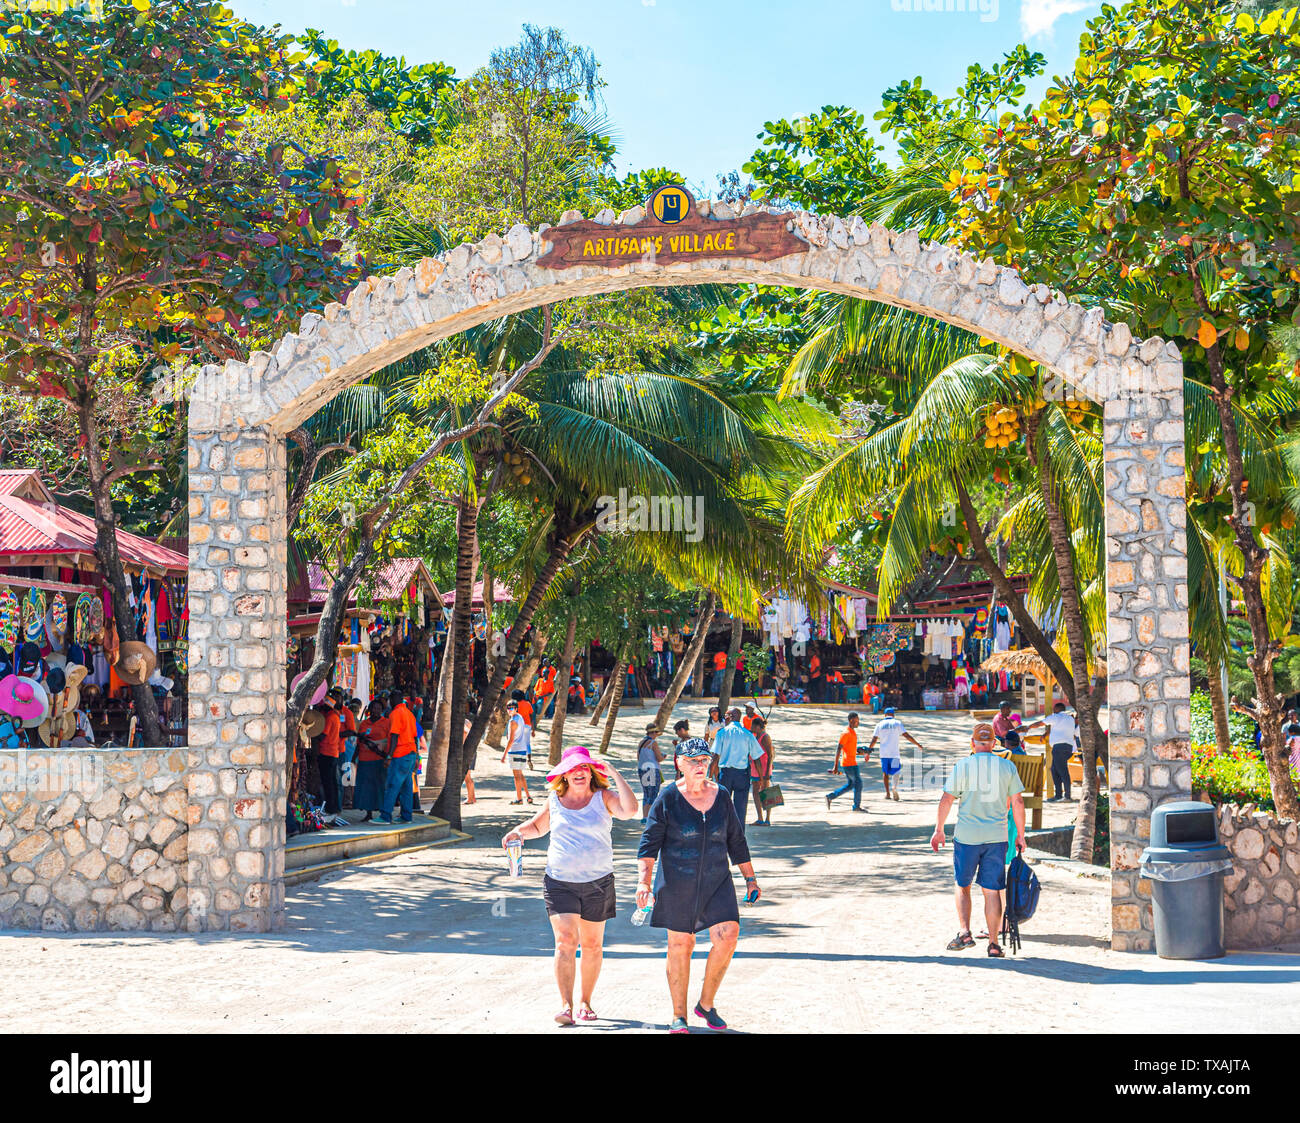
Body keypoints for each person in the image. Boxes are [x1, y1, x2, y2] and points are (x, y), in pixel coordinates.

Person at [502, 746, 639, 1025]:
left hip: (598, 882)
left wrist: (612, 771)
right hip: (559, 882)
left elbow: (631, 810)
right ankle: (565, 1005)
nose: (579, 773)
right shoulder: (555, 799)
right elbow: (539, 828)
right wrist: (518, 832)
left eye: (584, 768)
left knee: (592, 946)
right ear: (564, 775)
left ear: (591, 773)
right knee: (565, 942)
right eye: (573, 769)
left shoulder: (604, 798)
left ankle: (585, 1002)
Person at [637, 737, 760, 1033]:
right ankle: (679, 1015)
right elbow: (648, 845)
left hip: (716, 880)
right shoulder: (667, 798)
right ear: (678, 763)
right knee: (682, 944)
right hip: (677, 881)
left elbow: (736, 840)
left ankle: (705, 1004)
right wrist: (643, 883)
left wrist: (750, 877)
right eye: (692, 760)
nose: (700, 765)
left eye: (704, 760)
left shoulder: (722, 795)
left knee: (728, 934)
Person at [930, 721, 1026, 959]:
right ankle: (993, 944)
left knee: (962, 885)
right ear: (994, 744)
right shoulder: (1007, 767)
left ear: (973, 744)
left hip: (967, 837)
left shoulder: (963, 765)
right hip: (997, 837)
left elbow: (946, 799)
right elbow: (1018, 803)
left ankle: (965, 932)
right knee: (992, 890)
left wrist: (939, 829)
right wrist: (1021, 836)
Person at [711, 708, 765, 832]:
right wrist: (761, 779)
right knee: (740, 807)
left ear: (730, 717)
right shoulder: (747, 734)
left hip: (726, 774)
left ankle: (722, 832)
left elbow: (715, 757)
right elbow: (756, 758)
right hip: (742, 774)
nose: (724, 719)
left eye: (725, 716)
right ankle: (739, 836)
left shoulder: (722, 733)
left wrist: (710, 776)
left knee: (723, 805)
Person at [865, 706, 922, 802]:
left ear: (885, 715)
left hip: (884, 754)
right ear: (893, 715)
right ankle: (894, 787)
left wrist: (868, 752)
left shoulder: (879, 724)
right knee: (896, 772)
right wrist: (917, 744)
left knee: (885, 773)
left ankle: (887, 794)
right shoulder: (897, 723)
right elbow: (906, 735)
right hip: (894, 753)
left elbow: (874, 739)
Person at [1024, 701, 1078, 801]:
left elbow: (1039, 723)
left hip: (1059, 748)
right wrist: (1046, 734)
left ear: (1057, 709)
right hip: (1068, 748)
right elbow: (1056, 728)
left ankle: (1067, 796)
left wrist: (1028, 727)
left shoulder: (1056, 716)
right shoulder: (1070, 718)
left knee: (1063, 771)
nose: (1053, 711)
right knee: (1054, 770)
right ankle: (1058, 795)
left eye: (1054, 709)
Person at [378, 694, 419, 823]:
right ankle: (406, 816)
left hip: (400, 754)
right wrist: (416, 756)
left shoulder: (395, 713)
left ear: (392, 701)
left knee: (392, 785)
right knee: (406, 787)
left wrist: (389, 756)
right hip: (410, 754)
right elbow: (414, 737)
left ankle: (385, 816)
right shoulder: (409, 713)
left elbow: (395, 736)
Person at [354, 700, 390, 822]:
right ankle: (368, 813)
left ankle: (382, 812)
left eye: (379, 708)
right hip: (364, 760)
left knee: (379, 786)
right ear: (370, 709)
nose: (376, 711)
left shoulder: (386, 722)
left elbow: (389, 740)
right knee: (366, 787)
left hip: (379, 759)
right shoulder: (364, 723)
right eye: (374, 708)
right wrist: (354, 758)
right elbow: (359, 742)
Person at [826, 712, 868, 813]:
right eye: (857, 720)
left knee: (851, 785)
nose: (859, 722)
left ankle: (830, 796)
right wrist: (835, 766)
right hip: (848, 764)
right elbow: (839, 749)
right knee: (858, 784)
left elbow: (850, 749)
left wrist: (861, 753)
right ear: (851, 721)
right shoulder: (846, 733)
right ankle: (856, 807)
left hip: (853, 763)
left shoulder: (853, 732)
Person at [501, 699, 534, 805]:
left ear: (516, 708)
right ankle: (528, 796)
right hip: (522, 749)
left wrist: (504, 755)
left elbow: (510, 740)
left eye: (512, 708)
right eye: (508, 708)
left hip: (515, 750)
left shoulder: (513, 722)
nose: (510, 710)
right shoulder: (520, 717)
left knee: (516, 776)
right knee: (520, 774)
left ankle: (519, 799)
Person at [317, 693, 343, 814]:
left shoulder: (330, 717)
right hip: (333, 753)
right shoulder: (336, 716)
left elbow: (323, 735)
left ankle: (330, 808)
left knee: (328, 782)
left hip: (327, 753)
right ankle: (334, 807)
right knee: (332, 782)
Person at [749, 715, 775, 826]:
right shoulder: (755, 737)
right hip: (755, 769)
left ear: (757, 726)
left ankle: (767, 819)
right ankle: (760, 818)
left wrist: (766, 773)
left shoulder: (765, 737)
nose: (751, 728)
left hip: (764, 769)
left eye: (752, 726)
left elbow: (770, 755)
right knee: (755, 792)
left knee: (766, 792)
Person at [637, 723, 665, 822]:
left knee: (646, 793)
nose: (657, 735)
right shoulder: (653, 743)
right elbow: (659, 758)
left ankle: (644, 817)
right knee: (653, 793)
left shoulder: (641, 742)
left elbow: (638, 758)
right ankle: (651, 817)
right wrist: (664, 756)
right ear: (653, 733)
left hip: (642, 769)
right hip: (652, 769)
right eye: (656, 733)